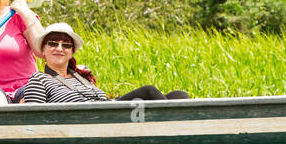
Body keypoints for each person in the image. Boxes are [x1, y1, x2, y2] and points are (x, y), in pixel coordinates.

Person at [16, 23, 191, 103]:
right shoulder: (39, 79)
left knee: (179, 95)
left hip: (109, 109)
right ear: (43, 51)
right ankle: (178, 130)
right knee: (149, 91)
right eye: (53, 43)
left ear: (71, 52)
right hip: (87, 120)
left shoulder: (80, 76)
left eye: (66, 45)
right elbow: (33, 117)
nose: (59, 48)